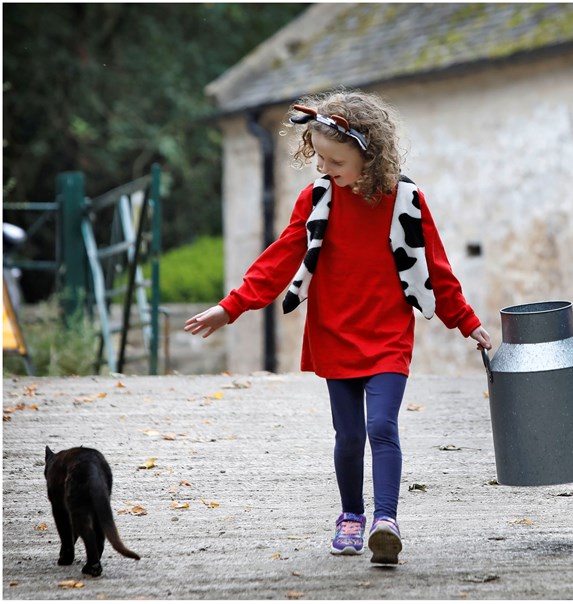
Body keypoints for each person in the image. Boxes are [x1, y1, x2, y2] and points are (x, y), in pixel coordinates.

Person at [185, 89, 491, 565]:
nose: (325, 168)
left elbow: (435, 268)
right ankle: (351, 516)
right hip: (334, 333)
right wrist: (232, 306)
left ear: (370, 155)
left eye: (336, 161)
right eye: (320, 158)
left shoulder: (405, 200)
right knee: (348, 436)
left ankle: (385, 521)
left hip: (388, 335)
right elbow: (279, 259)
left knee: (382, 426)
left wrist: (466, 322)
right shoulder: (316, 199)